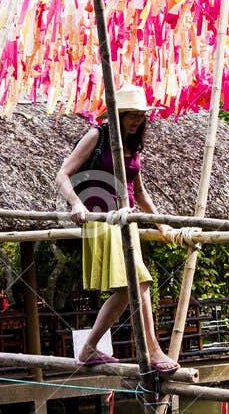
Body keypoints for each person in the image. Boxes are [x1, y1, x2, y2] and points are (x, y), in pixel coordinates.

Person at [54, 83, 178, 372]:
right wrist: (76, 204)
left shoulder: (134, 145)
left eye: (140, 115)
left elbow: (140, 192)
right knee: (141, 282)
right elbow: (63, 174)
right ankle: (153, 351)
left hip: (127, 221)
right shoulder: (98, 135)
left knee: (126, 290)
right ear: (117, 114)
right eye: (130, 114)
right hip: (103, 218)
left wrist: (162, 225)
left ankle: (88, 347)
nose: (136, 120)